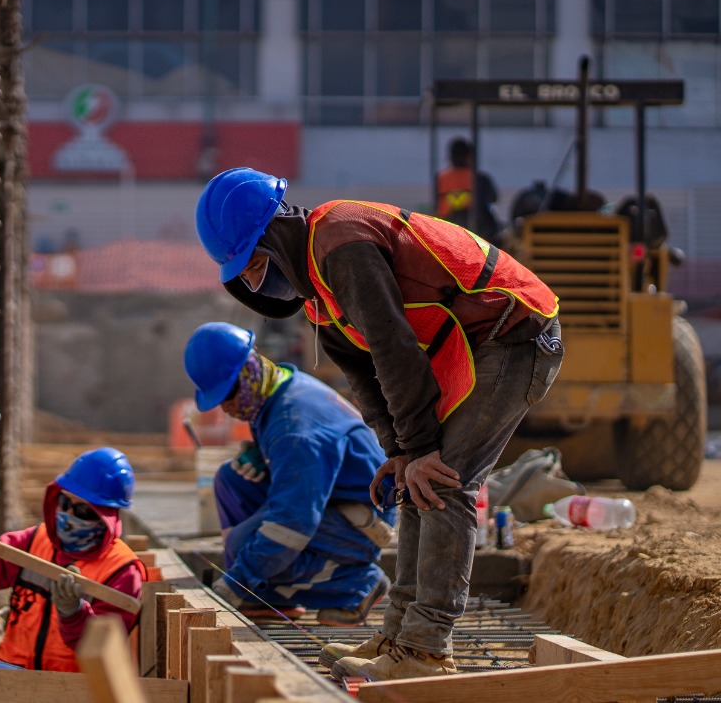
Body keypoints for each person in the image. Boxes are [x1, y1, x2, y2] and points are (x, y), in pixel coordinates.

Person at [194, 167, 564, 680]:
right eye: (248, 276)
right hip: (470, 344)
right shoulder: (319, 295)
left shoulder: (341, 244)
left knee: (444, 482)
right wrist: (399, 451)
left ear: (276, 234)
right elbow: (366, 379)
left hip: (516, 332)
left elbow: (392, 347)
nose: (258, 282)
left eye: (256, 265)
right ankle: (399, 635)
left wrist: (421, 449)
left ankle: (427, 648)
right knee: (416, 481)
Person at [183, 322, 396, 626]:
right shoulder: (276, 391)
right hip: (331, 497)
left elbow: (292, 523)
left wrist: (235, 583)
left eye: (229, 392)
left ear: (251, 369)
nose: (227, 407)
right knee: (231, 480)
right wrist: (265, 454)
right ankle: (265, 597)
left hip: (360, 518)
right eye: (219, 399)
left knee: (248, 545)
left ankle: (358, 585)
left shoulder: (295, 429)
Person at [0, 448, 147, 672]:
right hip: (9, 679)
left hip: (73, 691)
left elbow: (106, 648)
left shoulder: (121, 571)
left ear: (107, 516)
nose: (69, 515)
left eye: (83, 510)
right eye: (65, 502)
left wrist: (74, 613)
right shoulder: (35, 541)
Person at [436, 137, 502, 246]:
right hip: (477, 235)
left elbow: (437, 207)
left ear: (450, 157)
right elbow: (493, 198)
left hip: (445, 231)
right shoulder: (479, 178)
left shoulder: (441, 178)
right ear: (469, 157)